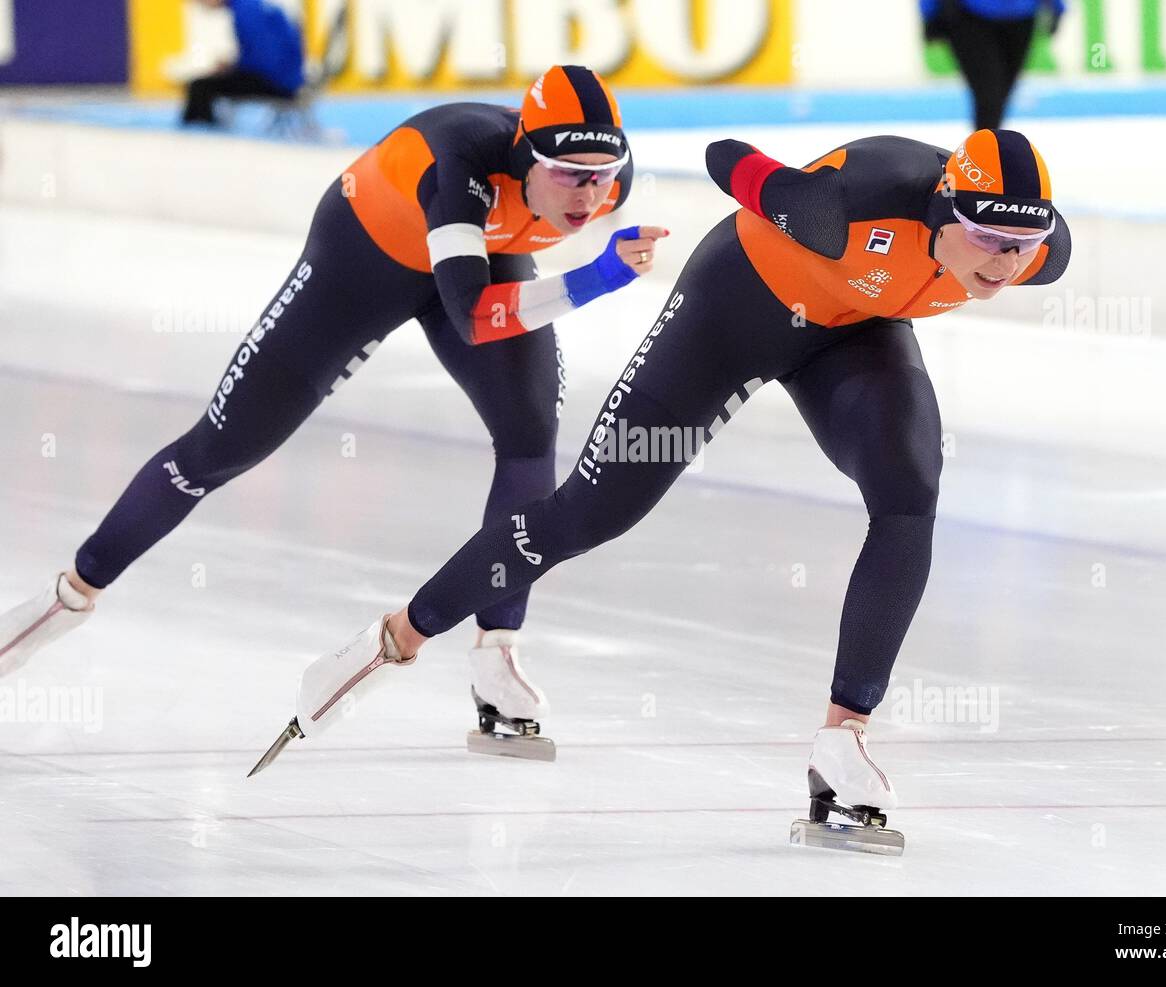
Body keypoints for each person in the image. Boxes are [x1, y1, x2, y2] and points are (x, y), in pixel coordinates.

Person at [253, 128, 1071, 851]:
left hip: (853, 332)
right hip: (734, 310)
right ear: (940, 213)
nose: (1005, 262)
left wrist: (1008, 246)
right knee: (589, 511)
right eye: (988, 237)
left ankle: (841, 741)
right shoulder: (848, 206)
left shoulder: (1041, 252)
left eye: (1022, 245)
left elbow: (1015, 243)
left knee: (909, 495)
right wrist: (783, 190)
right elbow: (726, 157)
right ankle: (395, 635)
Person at [0, 65, 668, 759]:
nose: (590, 193)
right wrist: (595, 278)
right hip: (365, 258)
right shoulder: (459, 166)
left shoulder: (604, 175)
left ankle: (496, 653)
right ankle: (66, 597)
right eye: (567, 172)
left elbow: (486, 294)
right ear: (528, 152)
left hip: (483, 259)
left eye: (602, 173)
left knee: (530, 434)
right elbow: (473, 318)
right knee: (219, 450)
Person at [922, 0, 1065, 131]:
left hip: (1022, 17)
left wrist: (1057, 6)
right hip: (969, 15)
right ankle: (982, 153)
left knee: (999, 96)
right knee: (989, 98)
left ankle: (985, 150)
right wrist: (930, 10)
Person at [182, 0, 306, 125]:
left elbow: (264, 58)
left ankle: (201, 133)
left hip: (276, 81)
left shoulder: (246, 11)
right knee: (205, 84)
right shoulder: (252, 5)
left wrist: (234, 67)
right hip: (286, 77)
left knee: (199, 87)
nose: (200, 4)